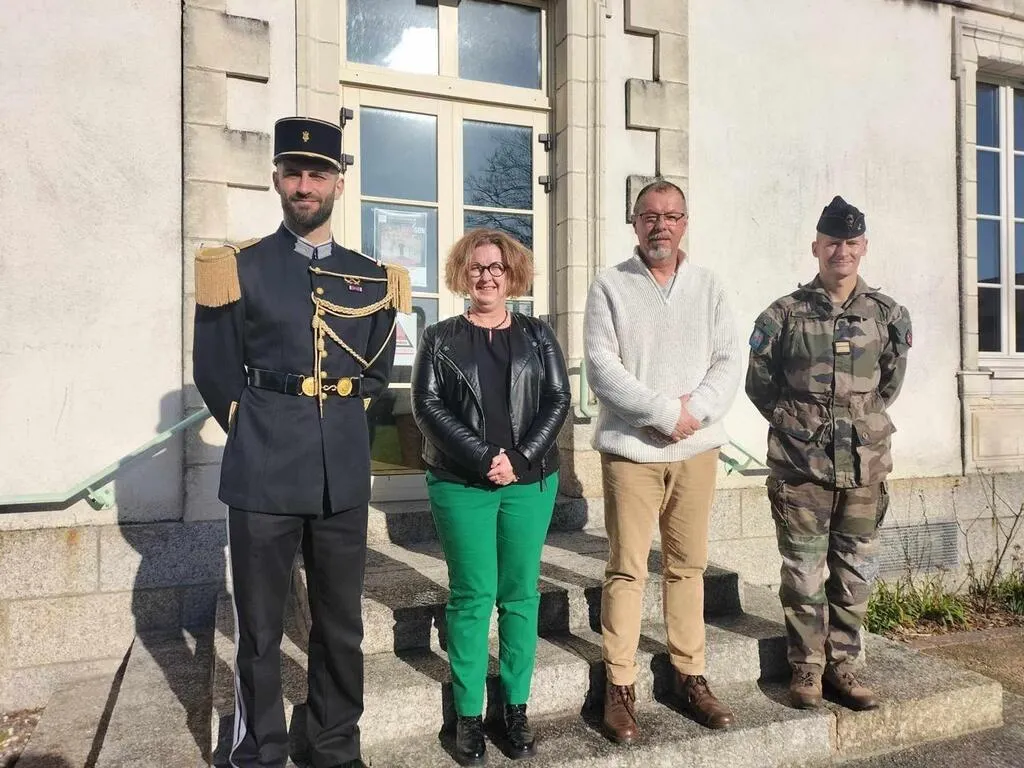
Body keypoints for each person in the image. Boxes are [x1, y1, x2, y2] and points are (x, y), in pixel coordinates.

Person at [192, 116, 409, 768]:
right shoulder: (238, 267)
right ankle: (259, 751)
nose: (304, 184)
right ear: (277, 178)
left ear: (340, 182)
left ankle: (333, 746)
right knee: (259, 630)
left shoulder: (372, 279)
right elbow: (215, 370)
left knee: (340, 625)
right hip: (261, 471)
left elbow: (372, 374)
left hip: (340, 472)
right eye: (294, 172)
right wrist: (263, 429)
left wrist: (329, 427)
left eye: (318, 173)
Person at [583, 180, 743, 741]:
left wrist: (691, 415)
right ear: (634, 223)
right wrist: (658, 413)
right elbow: (601, 366)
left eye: (671, 216)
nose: (661, 226)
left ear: (685, 222)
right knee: (627, 567)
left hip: (696, 449)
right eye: (650, 216)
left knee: (688, 566)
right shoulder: (611, 285)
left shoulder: (708, 287)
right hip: (631, 452)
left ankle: (688, 674)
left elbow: (728, 360)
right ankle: (620, 685)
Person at [745, 195, 911, 712]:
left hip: (864, 466)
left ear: (863, 248)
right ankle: (807, 669)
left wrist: (854, 425)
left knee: (854, 569)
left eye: (851, 242)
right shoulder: (783, 315)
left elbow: (888, 383)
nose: (842, 250)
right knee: (802, 571)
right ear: (816, 246)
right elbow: (760, 387)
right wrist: (801, 427)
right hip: (801, 467)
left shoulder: (887, 315)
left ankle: (845, 665)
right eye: (832, 241)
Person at [410, 229, 570, 765]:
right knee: (473, 595)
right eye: (477, 267)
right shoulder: (439, 337)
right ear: (462, 273)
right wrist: (483, 456)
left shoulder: (538, 334)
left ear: (512, 273)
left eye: (496, 267)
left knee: (520, 594)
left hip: (530, 482)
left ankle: (516, 707)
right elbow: (427, 407)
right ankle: (469, 715)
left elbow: (557, 398)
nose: (487, 276)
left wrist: (520, 460)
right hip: (462, 482)